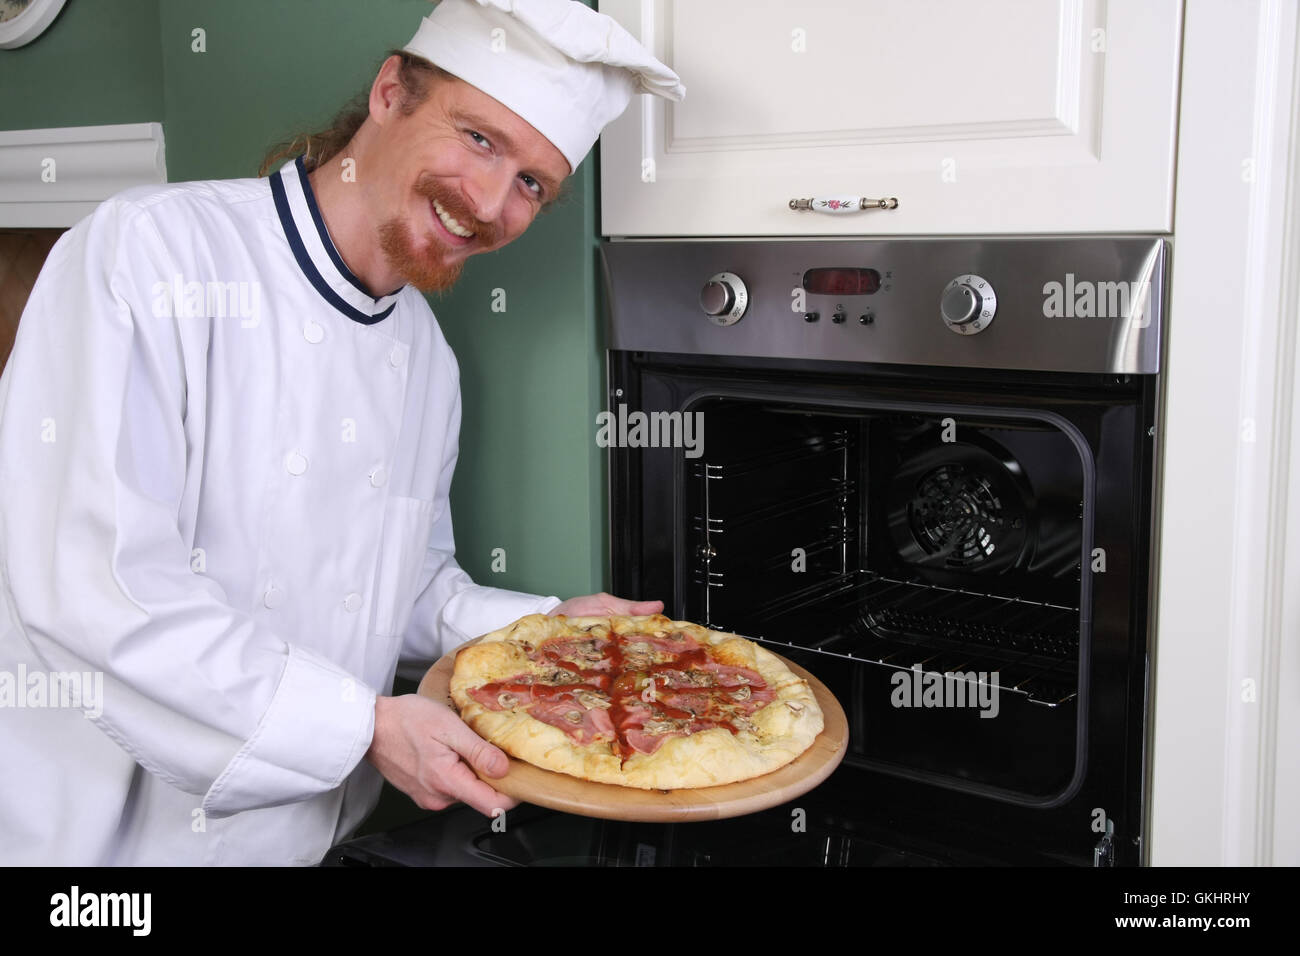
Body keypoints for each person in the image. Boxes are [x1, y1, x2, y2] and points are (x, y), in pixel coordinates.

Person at [0, 0, 684, 865]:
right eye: (479, 139)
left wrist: (552, 629)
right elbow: (93, 588)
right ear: (391, 92)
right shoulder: (150, 255)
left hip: (316, 842)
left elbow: (401, 590)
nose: (489, 203)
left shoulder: (427, 360)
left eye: (532, 185)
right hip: (100, 852)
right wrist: (362, 727)